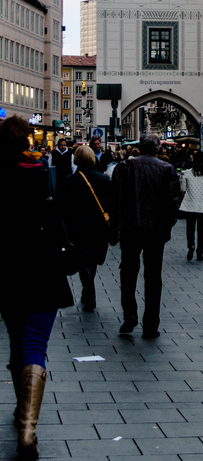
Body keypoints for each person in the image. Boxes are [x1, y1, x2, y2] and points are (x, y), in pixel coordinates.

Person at [0, 115, 74, 460]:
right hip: (44, 270)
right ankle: (28, 429)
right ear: (29, 141)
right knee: (35, 344)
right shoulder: (44, 173)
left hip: (8, 274)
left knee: (17, 341)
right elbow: (59, 218)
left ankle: (20, 411)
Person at [112, 134, 182, 339]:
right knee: (153, 277)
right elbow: (173, 201)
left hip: (130, 227)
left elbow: (115, 198)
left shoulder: (124, 167)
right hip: (155, 230)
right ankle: (150, 324)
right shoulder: (166, 169)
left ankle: (129, 315)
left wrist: (115, 226)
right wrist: (167, 225)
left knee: (128, 272)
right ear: (158, 148)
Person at [64, 145, 115, 311]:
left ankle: (89, 292)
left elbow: (65, 208)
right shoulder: (103, 180)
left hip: (78, 227)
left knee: (82, 259)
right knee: (91, 260)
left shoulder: (70, 181)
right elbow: (110, 205)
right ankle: (88, 292)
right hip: (99, 228)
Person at [179, 151, 203, 261]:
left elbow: (183, 189)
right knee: (201, 229)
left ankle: (191, 245)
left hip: (190, 205)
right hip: (202, 206)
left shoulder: (188, 173)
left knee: (190, 227)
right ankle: (200, 252)